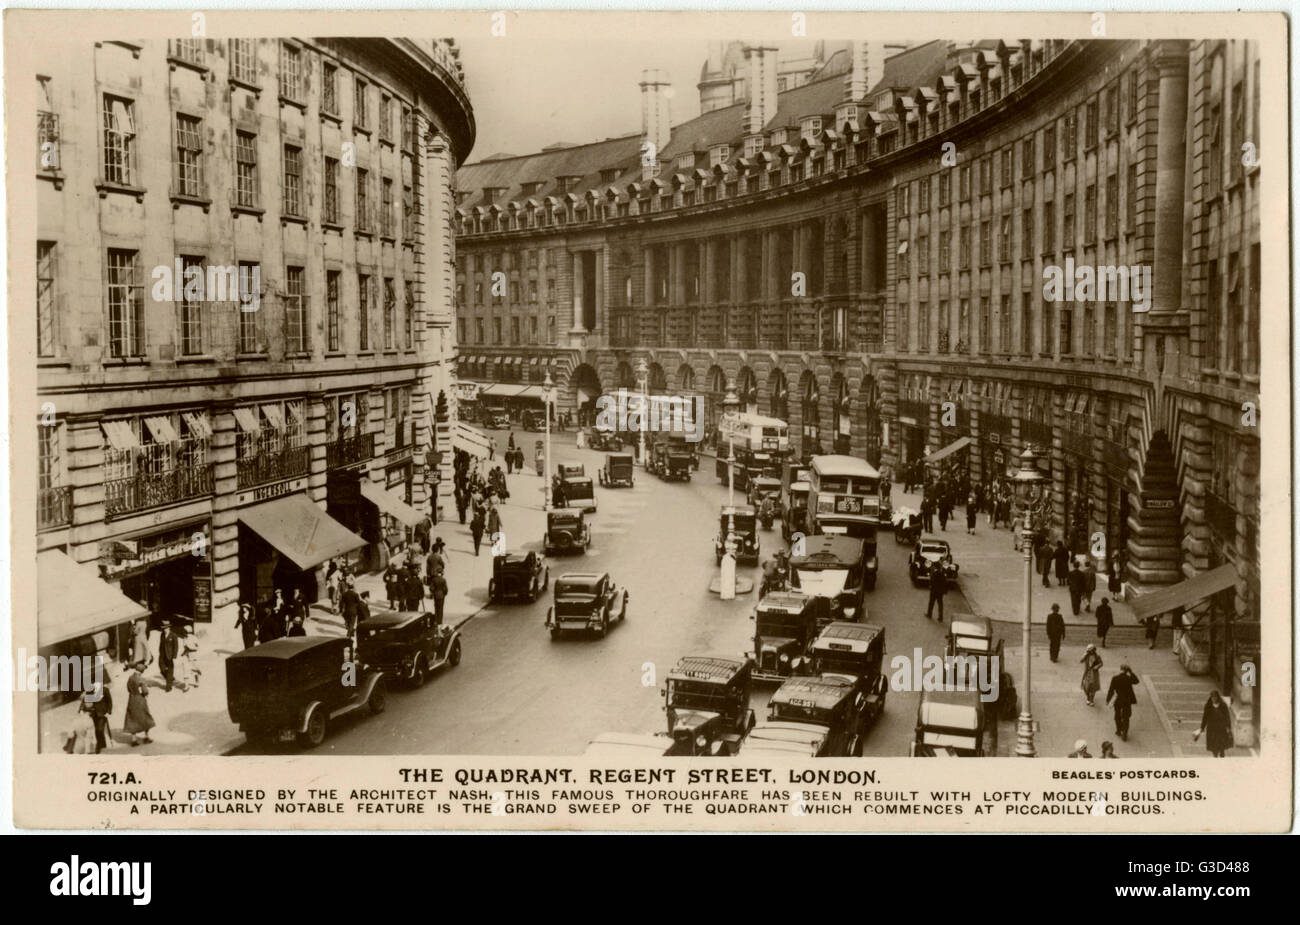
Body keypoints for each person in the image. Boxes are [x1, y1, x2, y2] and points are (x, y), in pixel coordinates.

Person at [1194, 690, 1234, 757]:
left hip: (1221, 728)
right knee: (1213, 745)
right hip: (1212, 728)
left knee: (1221, 744)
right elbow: (1205, 717)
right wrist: (1202, 727)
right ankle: (1215, 755)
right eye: (1212, 697)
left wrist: (1228, 727)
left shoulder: (1223, 706)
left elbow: (1227, 717)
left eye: (1215, 697)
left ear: (1217, 697)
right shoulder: (1208, 706)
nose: (1214, 699)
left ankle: (1221, 753)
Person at [124, 662, 155, 746]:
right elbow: (145, 691)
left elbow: (128, 688)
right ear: (142, 671)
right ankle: (146, 737)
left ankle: (133, 739)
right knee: (145, 716)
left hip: (132, 699)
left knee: (132, 718)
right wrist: (145, 694)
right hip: (140, 699)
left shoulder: (130, 678)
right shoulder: (141, 679)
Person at [1106, 664, 1140, 741]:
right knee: (1126, 716)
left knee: (1117, 715)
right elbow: (1136, 681)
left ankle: (1118, 730)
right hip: (1127, 700)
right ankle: (1125, 732)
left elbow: (1111, 689)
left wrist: (1108, 699)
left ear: (1120, 669)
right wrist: (1131, 672)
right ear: (1127, 670)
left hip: (1118, 700)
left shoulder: (1115, 678)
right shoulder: (1128, 678)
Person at [86, 681, 113, 753]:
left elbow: (109, 701)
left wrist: (108, 712)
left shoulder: (105, 690)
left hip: (103, 713)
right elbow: (87, 701)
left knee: (100, 729)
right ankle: (103, 744)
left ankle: (99, 745)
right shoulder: (90, 691)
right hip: (94, 714)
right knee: (96, 730)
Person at [925, 558, 950, 622]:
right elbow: (945, 583)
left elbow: (932, 582)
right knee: (940, 604)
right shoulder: (942, 574)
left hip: (934, 591)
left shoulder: (934, 574)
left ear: (935, 567)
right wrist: (945, 591)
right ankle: (940, 617)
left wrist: (930, 586)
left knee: (931, 603)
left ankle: (929, 614)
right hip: (940, 592)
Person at [157, 622, 179, 692]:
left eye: (165, 628)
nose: (164, 630)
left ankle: (168, 687)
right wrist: (160, 652)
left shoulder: (173, 635)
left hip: (169, 655)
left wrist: (174, 655)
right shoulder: (162, 634)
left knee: (170, 670)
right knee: (162, 668)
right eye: (163, 628)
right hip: (162, 655)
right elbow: (161, 644)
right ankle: (170, 678)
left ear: (169, 628)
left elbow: (176, 646)